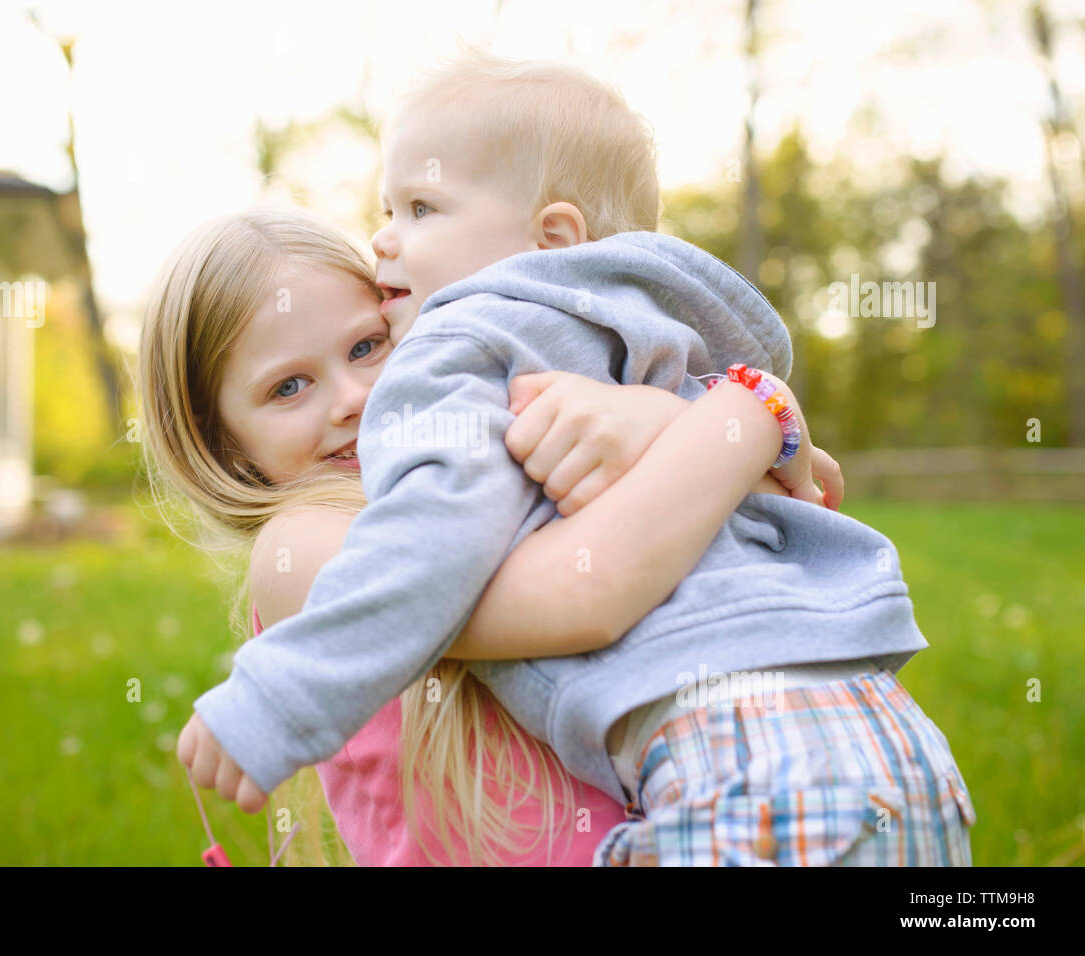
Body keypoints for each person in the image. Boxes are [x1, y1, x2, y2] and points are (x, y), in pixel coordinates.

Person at [180, 50, 977, 866]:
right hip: (849, 746)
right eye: (287, 388)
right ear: (219, 443)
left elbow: (806, 481)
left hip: (747, 769)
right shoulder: (301, 548)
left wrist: (673, 415)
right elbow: (565, 585)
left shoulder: (501, 363)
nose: (351, 398)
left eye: (371, 343)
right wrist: (748, 406)